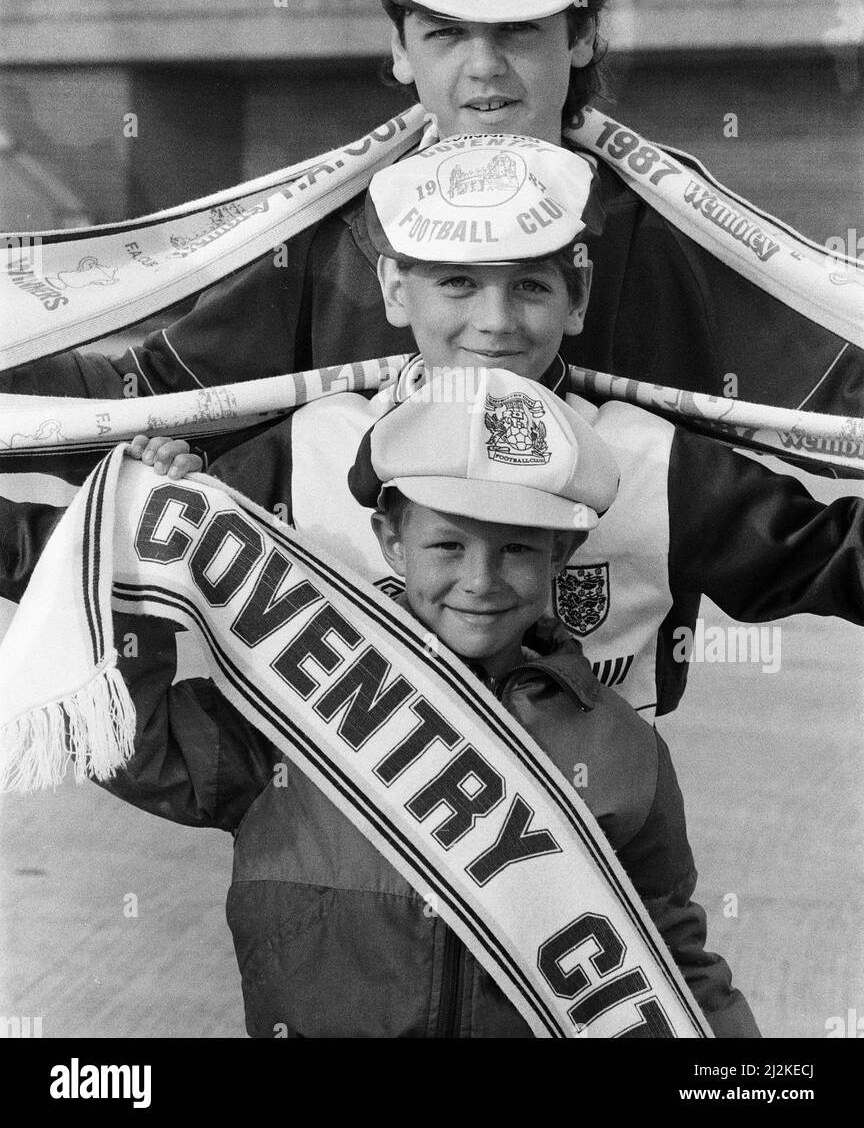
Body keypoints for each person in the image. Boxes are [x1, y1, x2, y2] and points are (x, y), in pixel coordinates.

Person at [3, 136, 863, 719]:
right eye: (456, 284)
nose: (495, 324)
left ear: (580, 297)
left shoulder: (653, 462)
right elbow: (89, 566)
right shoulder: (312, 451)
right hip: (343, 902)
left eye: (529, 286)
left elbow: (835, 560)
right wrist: (158, 504)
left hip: (593, 890)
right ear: (390, 290)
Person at [1, 0, 859, 423]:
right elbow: (143, 399)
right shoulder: (332, 227)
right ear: (401, 52)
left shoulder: (672, 222)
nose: (482, 68)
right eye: (446, 33)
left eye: (517, 29)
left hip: (595, 696)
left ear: (585, 36)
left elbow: (836, 389)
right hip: (370, 690)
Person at [93, 368, 760, 1038]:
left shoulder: (622, 749)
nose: (479, 581)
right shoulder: (295, 702)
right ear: (391, 542)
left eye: (518, 549)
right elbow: (130, 747)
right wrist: (134, 556)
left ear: (563, 553)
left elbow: (669, 962)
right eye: (447, 544)